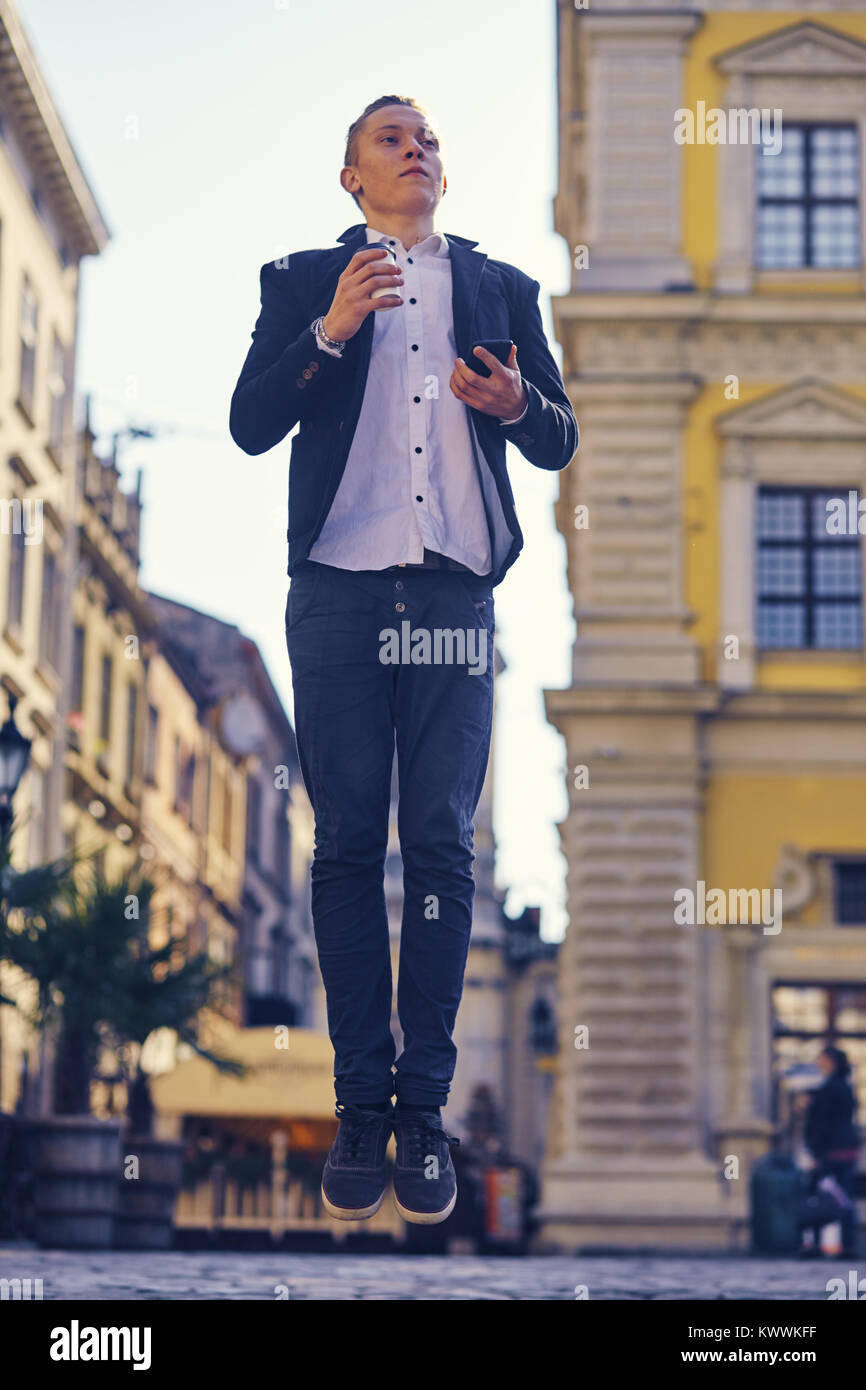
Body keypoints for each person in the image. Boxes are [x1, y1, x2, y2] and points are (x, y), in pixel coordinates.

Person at [230, 95, 577, 1226]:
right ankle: (357, 1105)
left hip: (448, 587)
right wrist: (327, 330)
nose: (416, 148)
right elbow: (246, 424)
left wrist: (517, 400)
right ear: (351, 178)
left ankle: (420, 1112)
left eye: (428, 137)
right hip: (336, 585)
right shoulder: (296, 280)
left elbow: (557, 436)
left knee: (438, 847)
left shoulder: (500, 289)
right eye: (391, 137)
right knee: (342, 845)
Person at [801, 1045, 859, 1257]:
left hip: (831, 1152)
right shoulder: (844, 1086)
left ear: (830, 1061)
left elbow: (822, 1124)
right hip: (844, 1150)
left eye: (821, 1059)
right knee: (841, 1197)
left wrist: (816, 1153)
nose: (818, 1063)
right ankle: (845, 1244)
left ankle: (816, 1244)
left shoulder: (830, 1088)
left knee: (820, 1197)